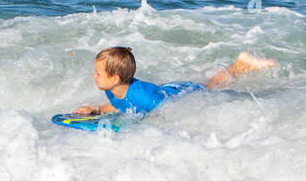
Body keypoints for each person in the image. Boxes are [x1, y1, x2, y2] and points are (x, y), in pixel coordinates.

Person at [71, 46, 276, 116]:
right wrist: (96, 110)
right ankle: (241, 64)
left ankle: (242, 65)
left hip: (180, 95)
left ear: (115, 78)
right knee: (210, 84)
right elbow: (121, 104)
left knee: (211, 87)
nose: (94, 76)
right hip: (165, 90)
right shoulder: (111, 89)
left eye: (98, 73)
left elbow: (167, 112)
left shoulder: (145, 99)